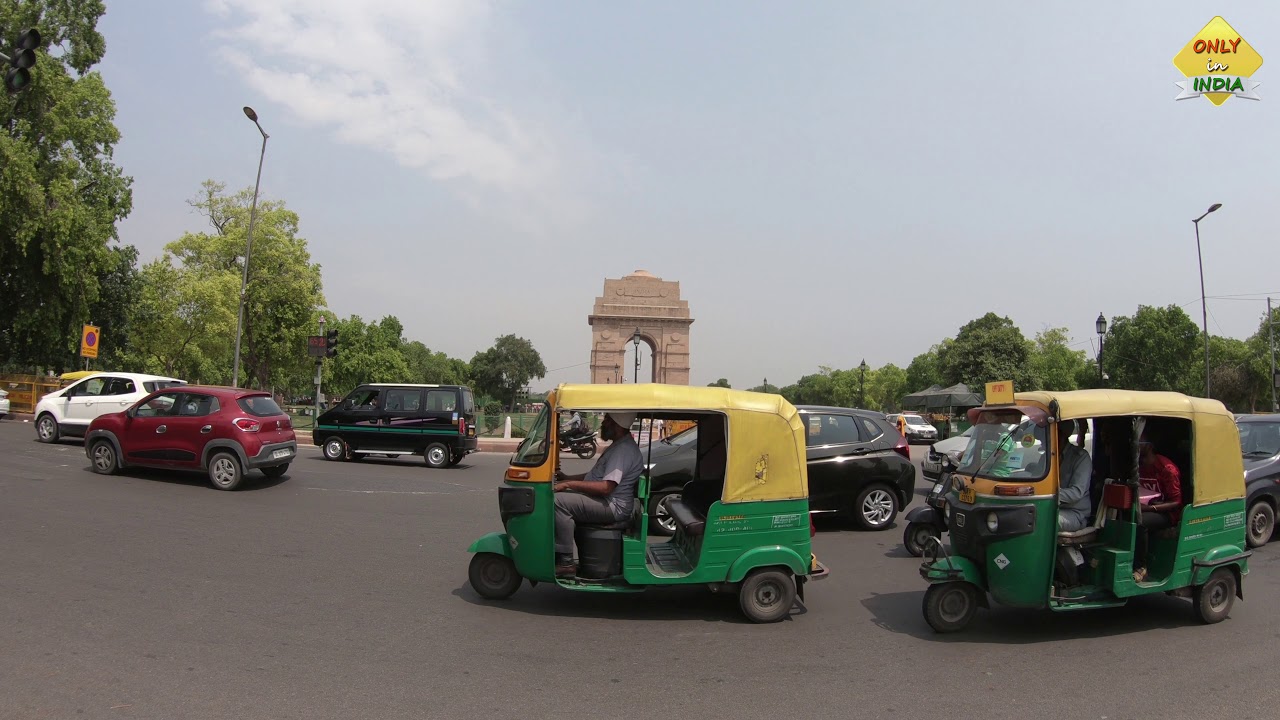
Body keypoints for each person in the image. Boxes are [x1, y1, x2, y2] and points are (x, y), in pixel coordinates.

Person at [552, 412, 644, 577]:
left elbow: (606, 487)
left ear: (617, 425)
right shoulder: (619, 445)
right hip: (608, 501)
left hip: (612, 506)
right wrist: (567, 478)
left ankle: (565, 563)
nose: (603, 424)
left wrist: (568, 484)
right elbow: (595, 476)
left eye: (607, 420)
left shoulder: (622, 450)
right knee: (564, 495)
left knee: (558, 502)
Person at [1133, 433, 1183, 582]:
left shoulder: (1166, 469)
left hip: (1167, 513)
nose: (1137, 446)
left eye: (1140, 443)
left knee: (1140, 521)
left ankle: (1141, 567)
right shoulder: (1138, 466)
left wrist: (1150, 509)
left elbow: (1176, 501)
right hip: (1145, 506)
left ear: (1149, 446)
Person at [1057, 420, 1092, 531]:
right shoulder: (1048, 457)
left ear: (1060, 436)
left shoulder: (1081, 457)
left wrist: (1049, 494)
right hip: (1053, 509)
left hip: (1075, 513)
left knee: (1042, 519)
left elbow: (1076, 493)